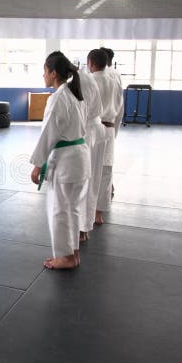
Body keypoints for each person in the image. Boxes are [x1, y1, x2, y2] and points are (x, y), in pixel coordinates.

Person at [31, 51, 90, 270]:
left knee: (59, 210)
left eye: (45, 71)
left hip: (66, 161)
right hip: (79, 158)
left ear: (53, 73)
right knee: (72, 209)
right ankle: (73, 253)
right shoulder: (76, 95)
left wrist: (38, 164)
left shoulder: (58, 98)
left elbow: (49, 133)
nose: (43, 75)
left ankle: (65, 257)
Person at [89, 49, 124, 225]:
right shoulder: (115, 82)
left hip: (92, 130)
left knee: (88, 171)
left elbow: (82, 109)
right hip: (109, 129)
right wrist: (114, 132)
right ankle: (98, 214)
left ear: (91, 63)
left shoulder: (88, 82)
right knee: (105, 172)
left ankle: (86, 214)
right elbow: (120, 111)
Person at [78, 52, 106, 242]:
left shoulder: (83, 81)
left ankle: (82, 228)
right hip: (101, 129)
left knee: (83, 181)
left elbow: (81, 111)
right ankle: (89, 221)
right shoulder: (109, 78)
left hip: (88, 131)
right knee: (95, 179)